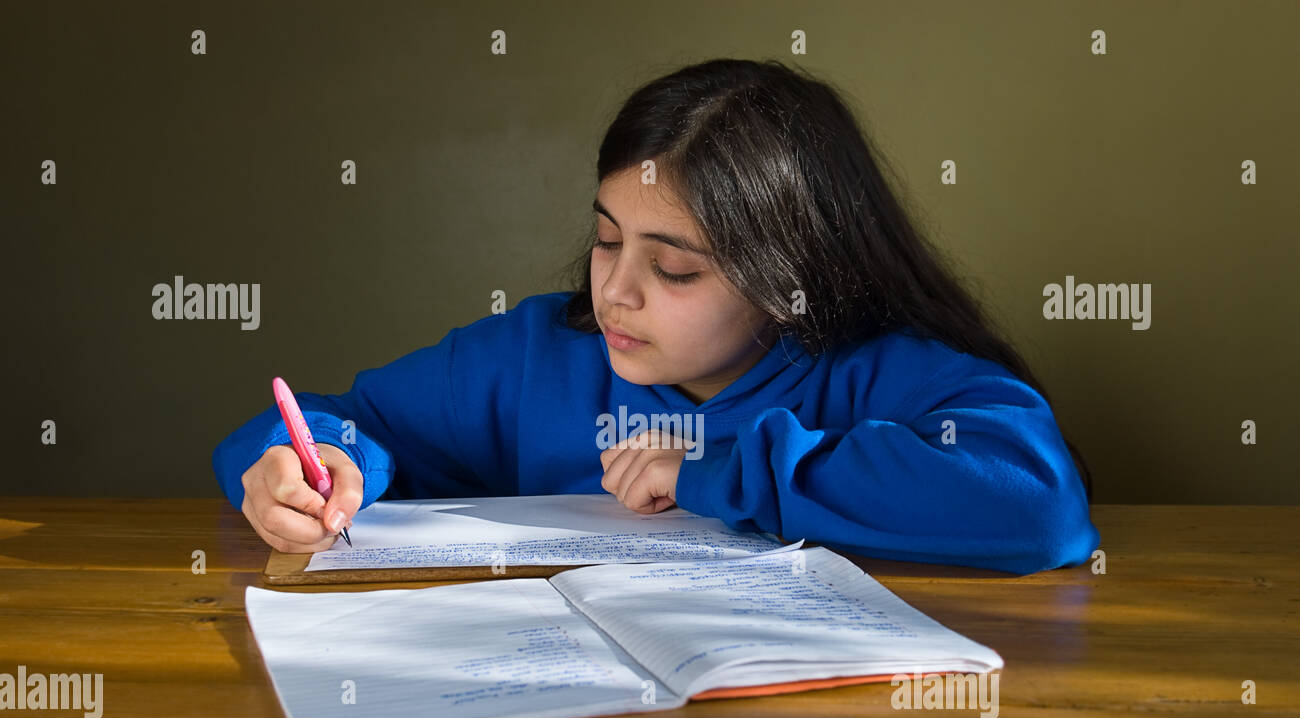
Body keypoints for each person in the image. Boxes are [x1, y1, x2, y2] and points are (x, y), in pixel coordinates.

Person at [213, 58, 1099, 575]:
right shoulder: (535, 355)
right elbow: (318, 425)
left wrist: (724, 469)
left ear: (791, 275)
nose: (615, 295)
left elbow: (1038, 504)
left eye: (674, 267)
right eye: (606, 242)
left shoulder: (871, 370)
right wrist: (316, 460)